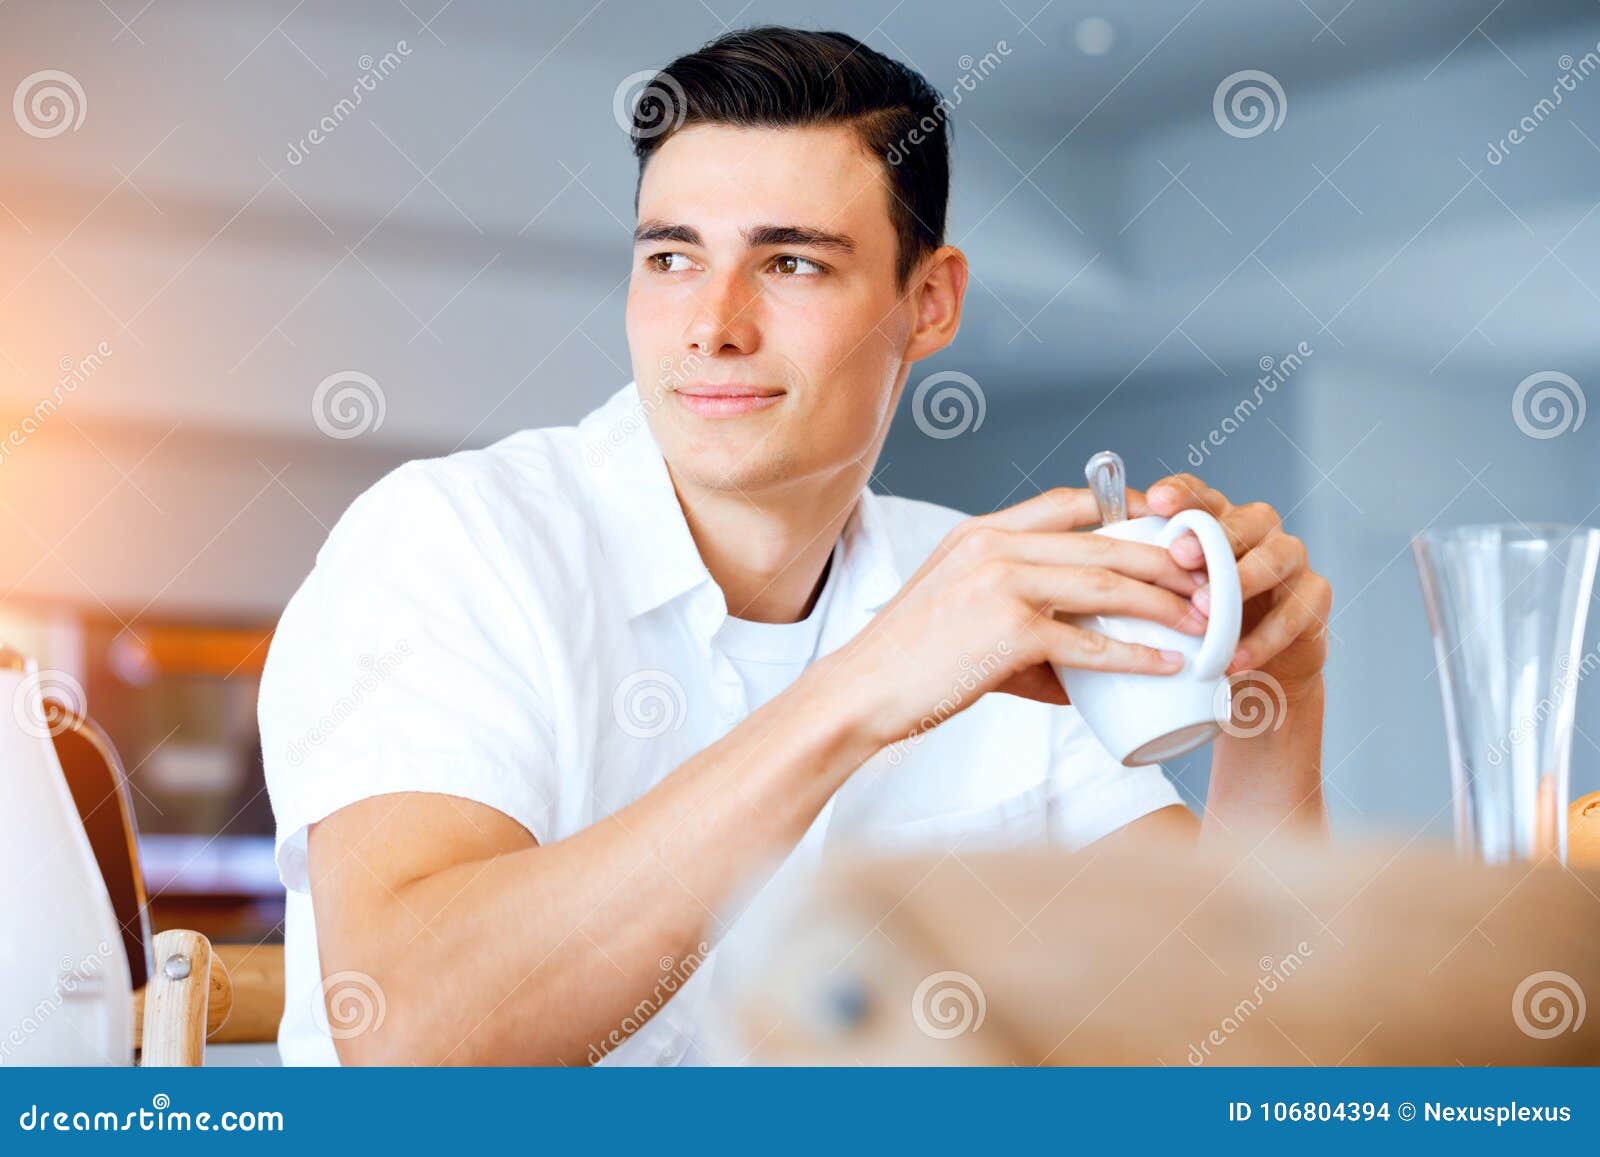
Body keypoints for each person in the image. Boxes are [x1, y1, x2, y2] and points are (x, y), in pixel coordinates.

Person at [259, 25, 1331, 1067]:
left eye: (792, 265)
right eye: (672, 256)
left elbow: (1244, 1049)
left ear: (929, 300)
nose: (712, 323)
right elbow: (412, 1035)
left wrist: (1270, 706)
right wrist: (865, 685)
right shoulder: (449, 542)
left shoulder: (985, 591)